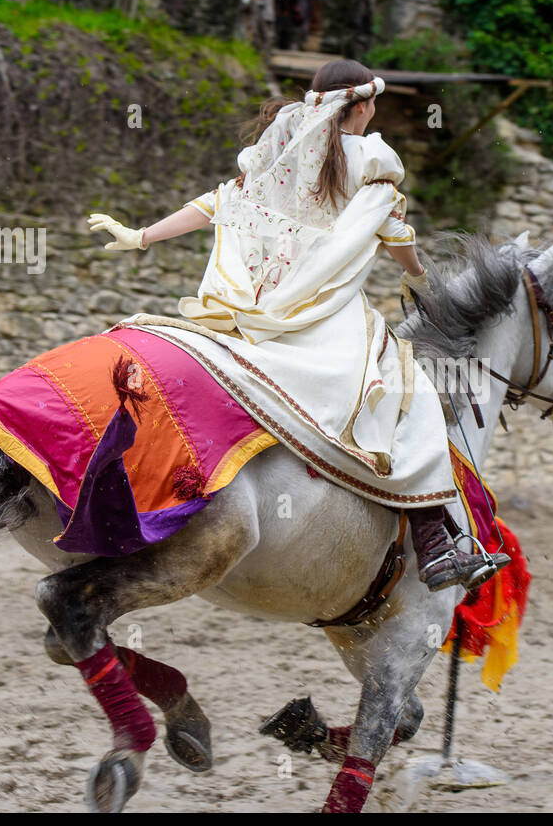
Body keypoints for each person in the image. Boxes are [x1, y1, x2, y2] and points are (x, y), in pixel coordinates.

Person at [87, 58, 508, 592]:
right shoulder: (372, 160)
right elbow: (395, 233)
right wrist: (419, 278)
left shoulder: (277, 152)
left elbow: (219, 204)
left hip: (252, 305)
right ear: (361, 106)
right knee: (408, 391)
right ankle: (435, 544)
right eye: (373, 103)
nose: (374, 112)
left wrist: (141, 235)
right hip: (323, 314)